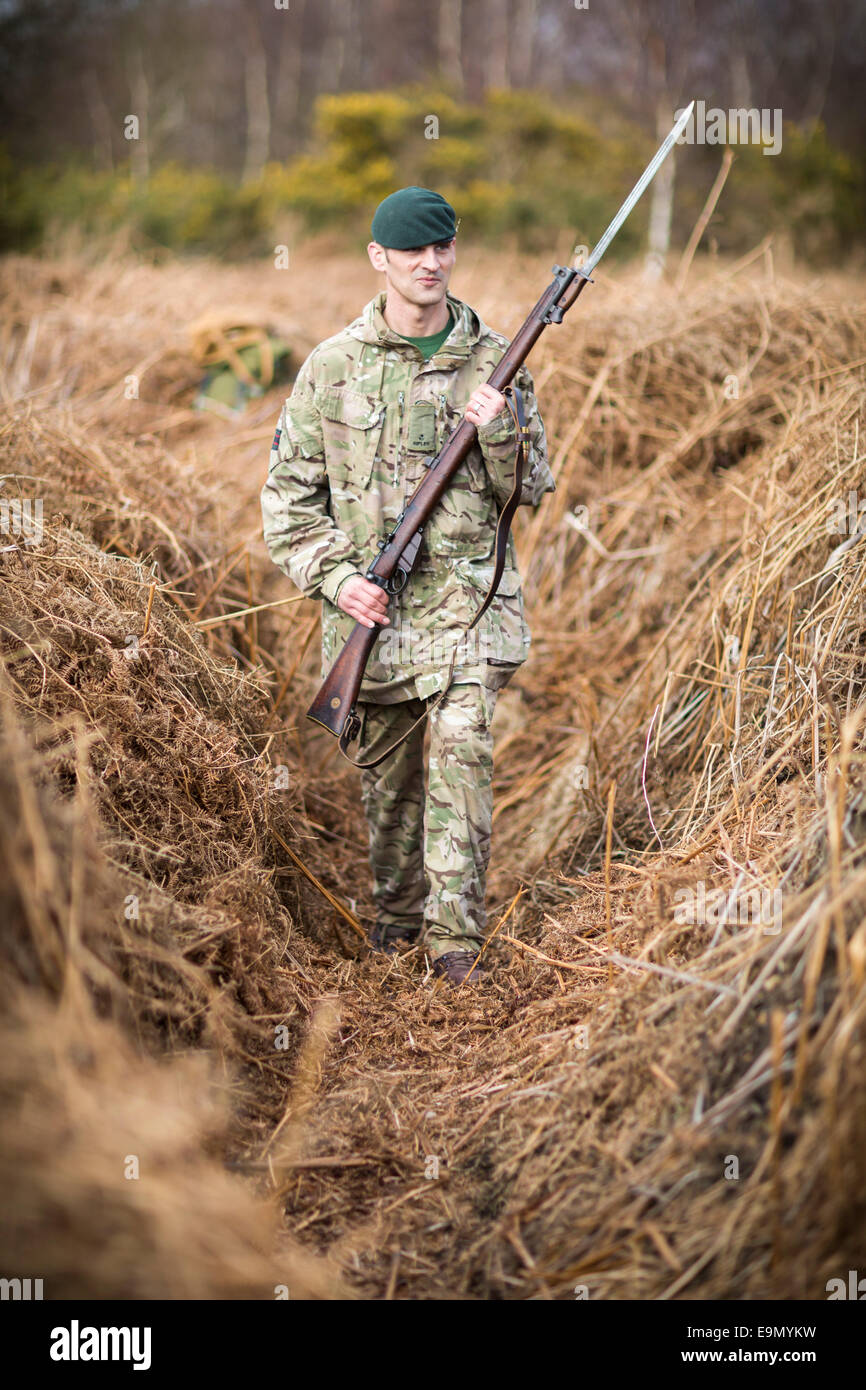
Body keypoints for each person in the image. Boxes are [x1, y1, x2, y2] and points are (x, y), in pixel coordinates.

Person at [261, 186, 554, 984]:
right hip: (377, 619)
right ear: (378, 259)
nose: (432, 263)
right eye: (414, 250)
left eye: (444, 247)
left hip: (467, 610)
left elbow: (529, 490)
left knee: (463, 745)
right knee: (389, 791)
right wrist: (338, 580)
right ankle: (395, 924)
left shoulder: (499, 360)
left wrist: (500, 429)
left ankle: (457, 945)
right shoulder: (332, 367)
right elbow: (286, 503)